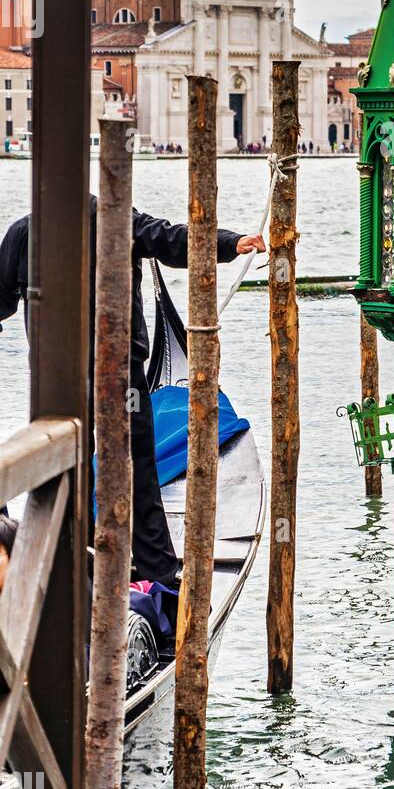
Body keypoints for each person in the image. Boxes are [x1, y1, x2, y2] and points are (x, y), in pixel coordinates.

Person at [0, 199, 265, 586]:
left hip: (86, 381)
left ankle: (75, 563)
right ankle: (155, 572)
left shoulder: (42, 229)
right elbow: (171, 240)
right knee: (132, 470)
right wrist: (231, 242)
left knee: (80, 471)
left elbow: (172, 240)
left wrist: (230, 243)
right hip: (91, 382)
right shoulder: (35, 232)